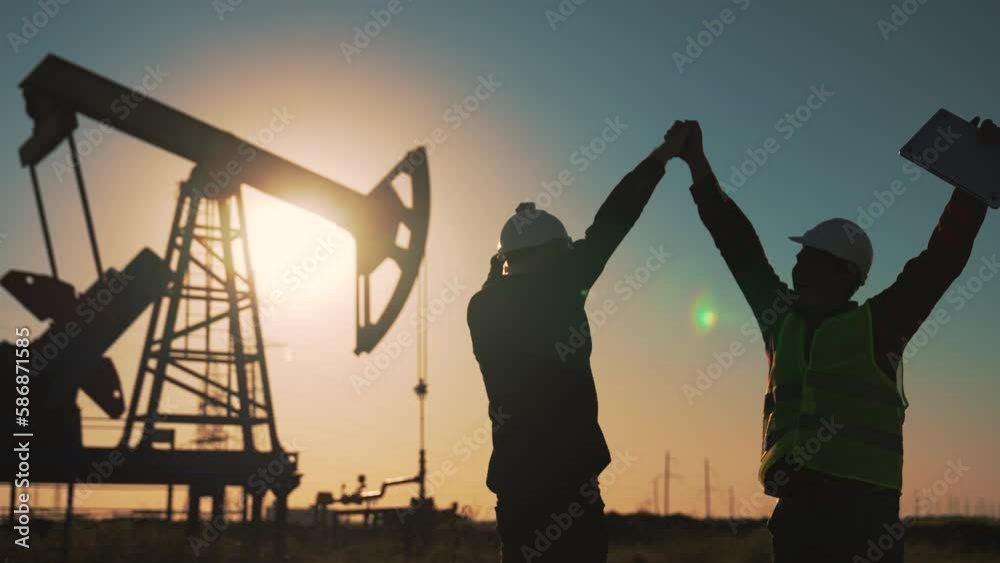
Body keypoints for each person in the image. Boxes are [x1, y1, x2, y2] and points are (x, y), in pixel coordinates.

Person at [674, 117, 997, 562]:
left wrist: (974, 178)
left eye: (812, 260)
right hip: (797, 516)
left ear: (847, 275)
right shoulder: (779, 320)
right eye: (798, 259)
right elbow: (737, 242)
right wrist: (697, 165)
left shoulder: (879, 324)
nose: (797, 270)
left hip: (865, 524)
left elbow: (940, 260)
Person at [467, 122, 689, 563]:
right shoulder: (561, 287)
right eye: (563, 249)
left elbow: (501, 283)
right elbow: (613, 221)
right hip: (570, 487)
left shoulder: (481, 306)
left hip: (516, 487)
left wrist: (513, 241)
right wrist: (661, 158)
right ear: (552, 252)